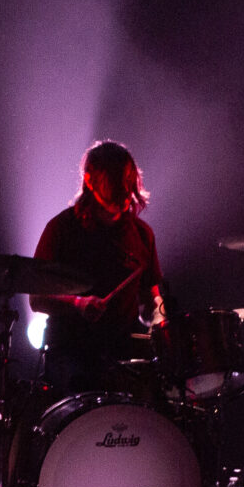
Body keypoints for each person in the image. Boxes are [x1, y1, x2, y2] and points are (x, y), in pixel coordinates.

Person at [26, 139, 162, 396]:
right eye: (115, 179)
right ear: (90, 180)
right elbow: (37, 299)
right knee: (83, 388)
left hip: (123, 347)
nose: (126, 188)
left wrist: (159, 316)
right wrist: (77, 304)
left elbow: (150, 298)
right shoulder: (61, 229)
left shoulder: (142, 234)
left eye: (129, 178)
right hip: (70, 348)